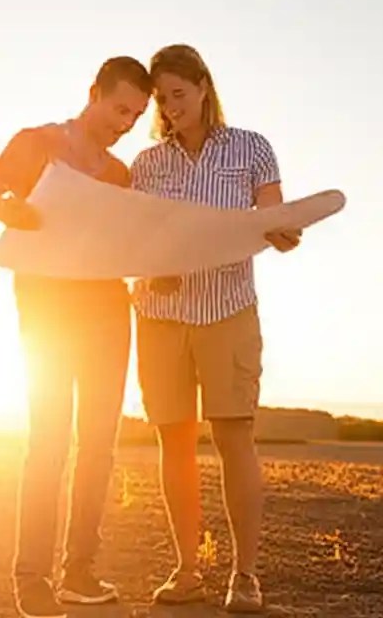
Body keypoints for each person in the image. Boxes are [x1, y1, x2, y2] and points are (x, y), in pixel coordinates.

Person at [0, 56, 152, 618]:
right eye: (119, 108)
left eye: (137, 116)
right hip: (45, 311)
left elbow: (132, 239)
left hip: (110, 311)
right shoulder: (35, 143)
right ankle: (32, 578)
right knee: (48, 442)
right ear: (93, 93)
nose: (125, 123)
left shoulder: (120, 175)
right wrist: (6, 209)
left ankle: (80, 573)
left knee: (98, 446)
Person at [127, 43, 301, 613]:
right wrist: (156, 266)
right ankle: (186, 571)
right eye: (162, 99)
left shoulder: (252, 149)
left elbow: (272, 218)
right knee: (173, 441)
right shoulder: (147, 165)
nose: (172, 107)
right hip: (160, 315)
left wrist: (282, 232)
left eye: (180, 94)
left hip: (228, 310)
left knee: (233, 439)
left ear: (204, 86)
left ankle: (245, 577)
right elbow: (132, 239)